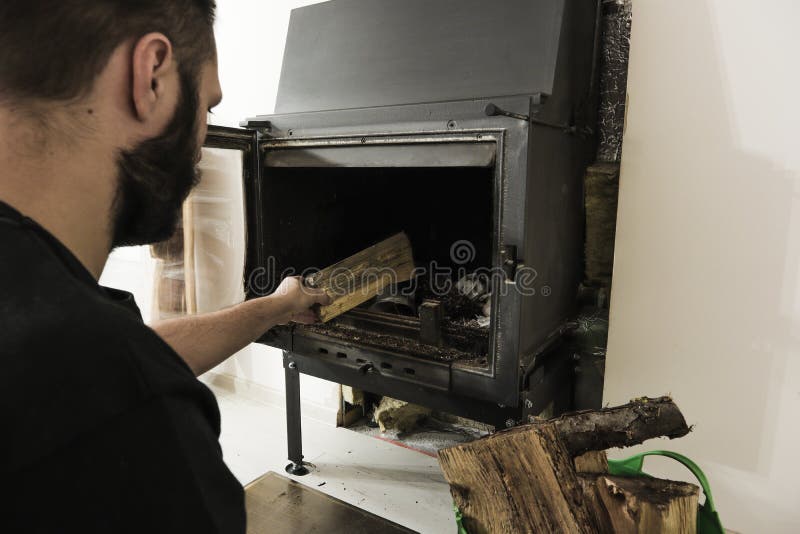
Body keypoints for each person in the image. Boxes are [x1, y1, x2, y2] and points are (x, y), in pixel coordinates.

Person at [0, 1, 330, 532]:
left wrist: (275, 308)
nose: (202, 137)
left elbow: (139, 353)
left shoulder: (43, 312)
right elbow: (121, 374)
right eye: (207, 108)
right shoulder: (130, 424)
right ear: (151, 75)